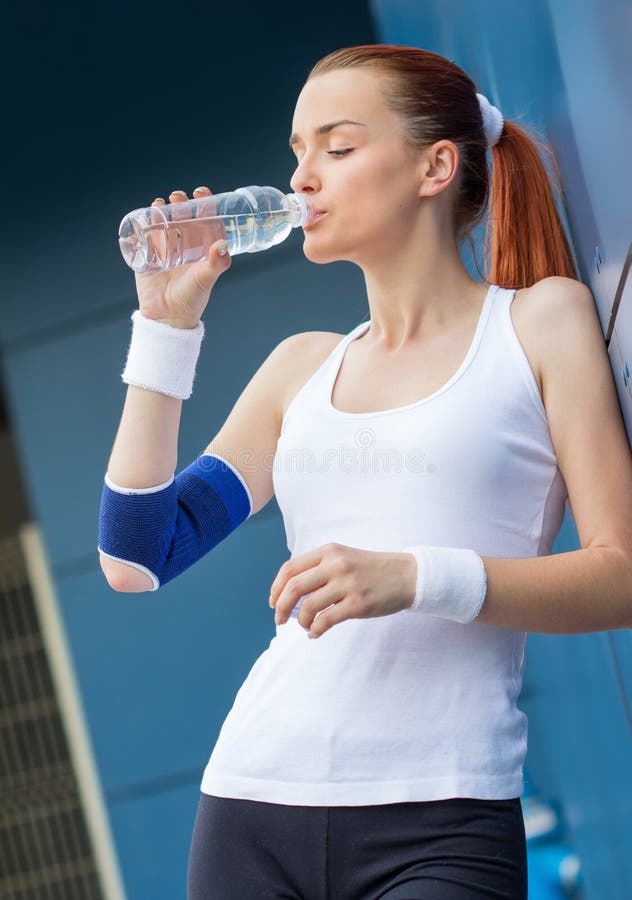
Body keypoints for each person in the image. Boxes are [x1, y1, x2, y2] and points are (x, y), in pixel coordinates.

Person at [99, 44, 632, 900]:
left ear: (435, 166)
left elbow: (623, 575)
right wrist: (164, 329)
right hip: (251, 801)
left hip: (446, 818)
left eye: (337, 148)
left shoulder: (540, 324)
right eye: (297, 153)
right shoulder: (298, 370)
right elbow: (136, 555)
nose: (304, 177)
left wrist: (418, 578)